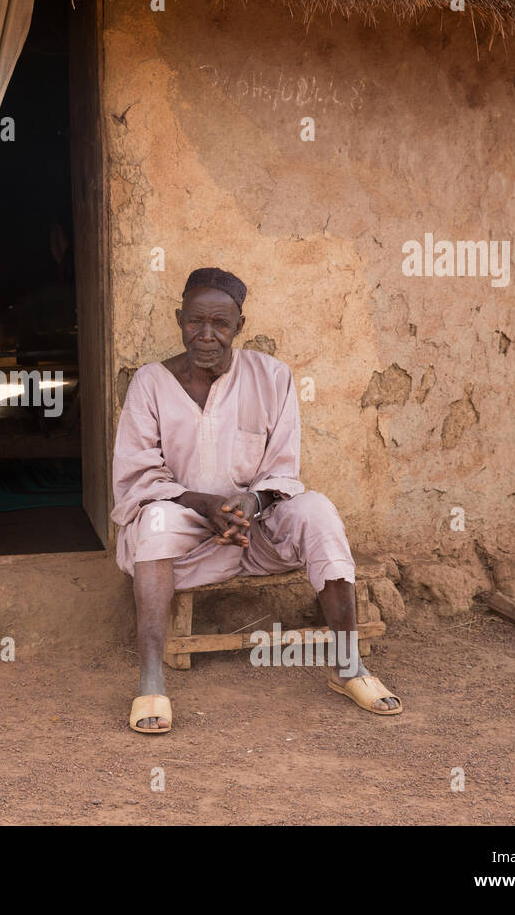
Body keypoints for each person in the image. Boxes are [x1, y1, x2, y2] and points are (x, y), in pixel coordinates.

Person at [112, 267, 402, 733]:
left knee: (318, 513)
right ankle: (151, 682)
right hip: (187, 524)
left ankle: (350, 667)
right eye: (194, 322)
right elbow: (138, 475)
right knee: (153, 525)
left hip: (258, 528)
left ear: (239, 327)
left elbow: (282, 470)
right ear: (178, 319)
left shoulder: (272, 377)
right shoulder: (151, 382)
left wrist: (253, 503)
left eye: (220, 325)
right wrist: (204, 504)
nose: (206, 336)